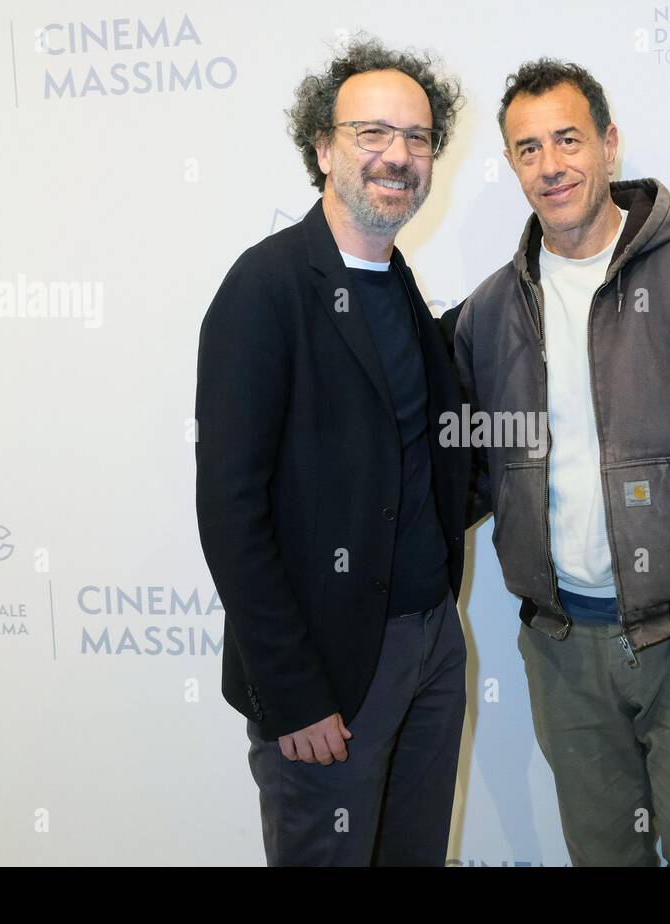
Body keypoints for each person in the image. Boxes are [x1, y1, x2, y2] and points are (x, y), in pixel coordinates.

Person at [446, 58, 670, 866]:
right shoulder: (488, 311)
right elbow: (465, 466)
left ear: (609, 146)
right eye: (528, 149)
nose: (552, 166)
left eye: (569, 139)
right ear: (512, 166)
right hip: (562, 646)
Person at [194, 37, 467, 866]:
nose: (399, 155)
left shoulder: (403, 284)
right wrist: (293, 694)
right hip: (329, 679)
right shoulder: (266, 287)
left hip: (431, 651)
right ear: (321, 148)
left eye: (418, 137)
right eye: (372, 133)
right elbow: (230, 508)